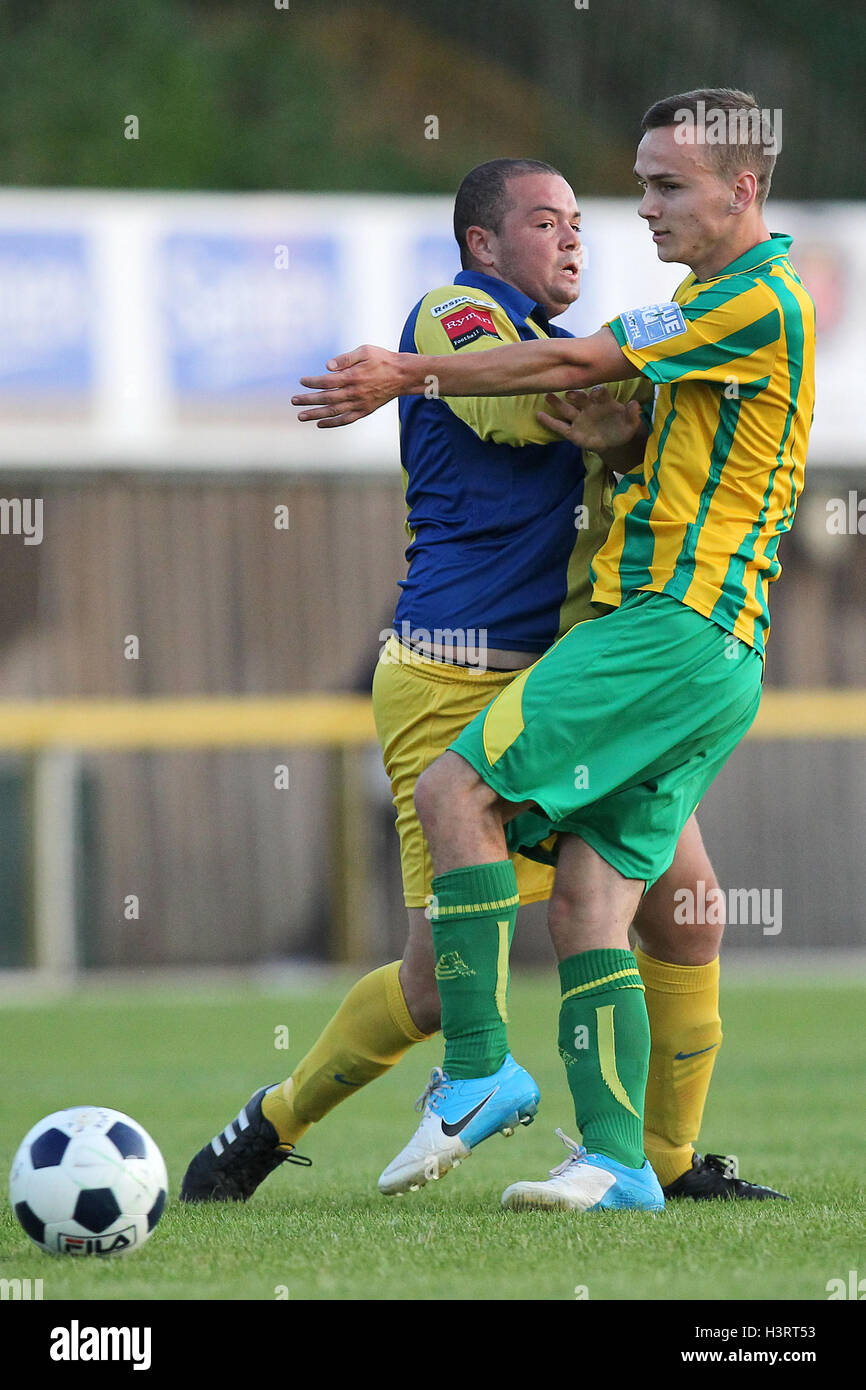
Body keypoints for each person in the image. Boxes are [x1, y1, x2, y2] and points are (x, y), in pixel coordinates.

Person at [182, 124, 797, 1208]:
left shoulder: (587, 340)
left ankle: (660, 1160)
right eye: (544, 221)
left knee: (687, 909)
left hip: (571, 667)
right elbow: (527, 404)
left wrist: (622, 433)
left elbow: (594, 412)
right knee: (434, 985)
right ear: (482, 241)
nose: (574, 238)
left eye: (579, 221)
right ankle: (270, 1125)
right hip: (454, 674)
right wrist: (583, 399)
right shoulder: (456, 318)